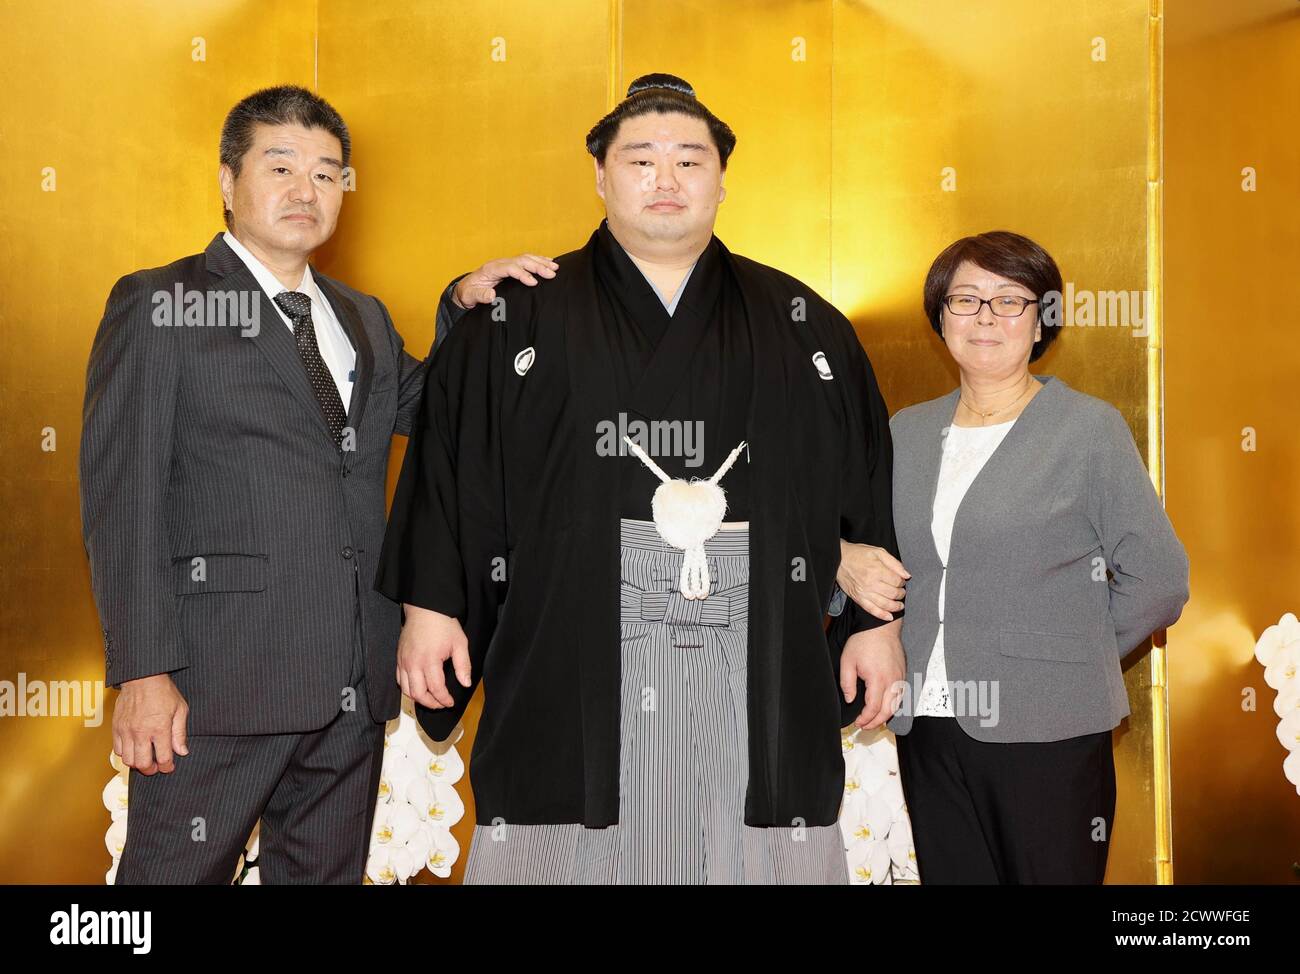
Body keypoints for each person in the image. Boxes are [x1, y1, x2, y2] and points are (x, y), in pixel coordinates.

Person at [375, 73, 904, 884]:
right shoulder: (520, 314)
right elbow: (452, 464)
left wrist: (875, 625)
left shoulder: (801, 320)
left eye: (691, 162)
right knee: (570, 820)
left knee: (748, 836)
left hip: (751, 635)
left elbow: (860, 480)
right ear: (600, 176)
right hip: (570, 630)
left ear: (723, 180)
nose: (667, 180)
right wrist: (433, 605)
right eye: (642, 160)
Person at [80, 84, 551, 884]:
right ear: (228, 183)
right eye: (282, 166)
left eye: (329, 174)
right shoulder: (160, 303)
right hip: (215, 687)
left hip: (351, 682)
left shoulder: (360, 315)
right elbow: (121, 502)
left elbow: (433, 409)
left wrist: (469, 307)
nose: (307, 191)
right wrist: (144, 674)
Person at [837, 230, 1190, 883]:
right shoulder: (903, 432)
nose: (986, 317)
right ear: (941, 318)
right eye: (966, 300)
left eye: (1010, 300)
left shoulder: (1088, 429)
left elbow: (1160, 581)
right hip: (929, 724)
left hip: (1048, 722)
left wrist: (1064, 653)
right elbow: (868, 555)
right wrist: (840, 555)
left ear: (1040, 321)